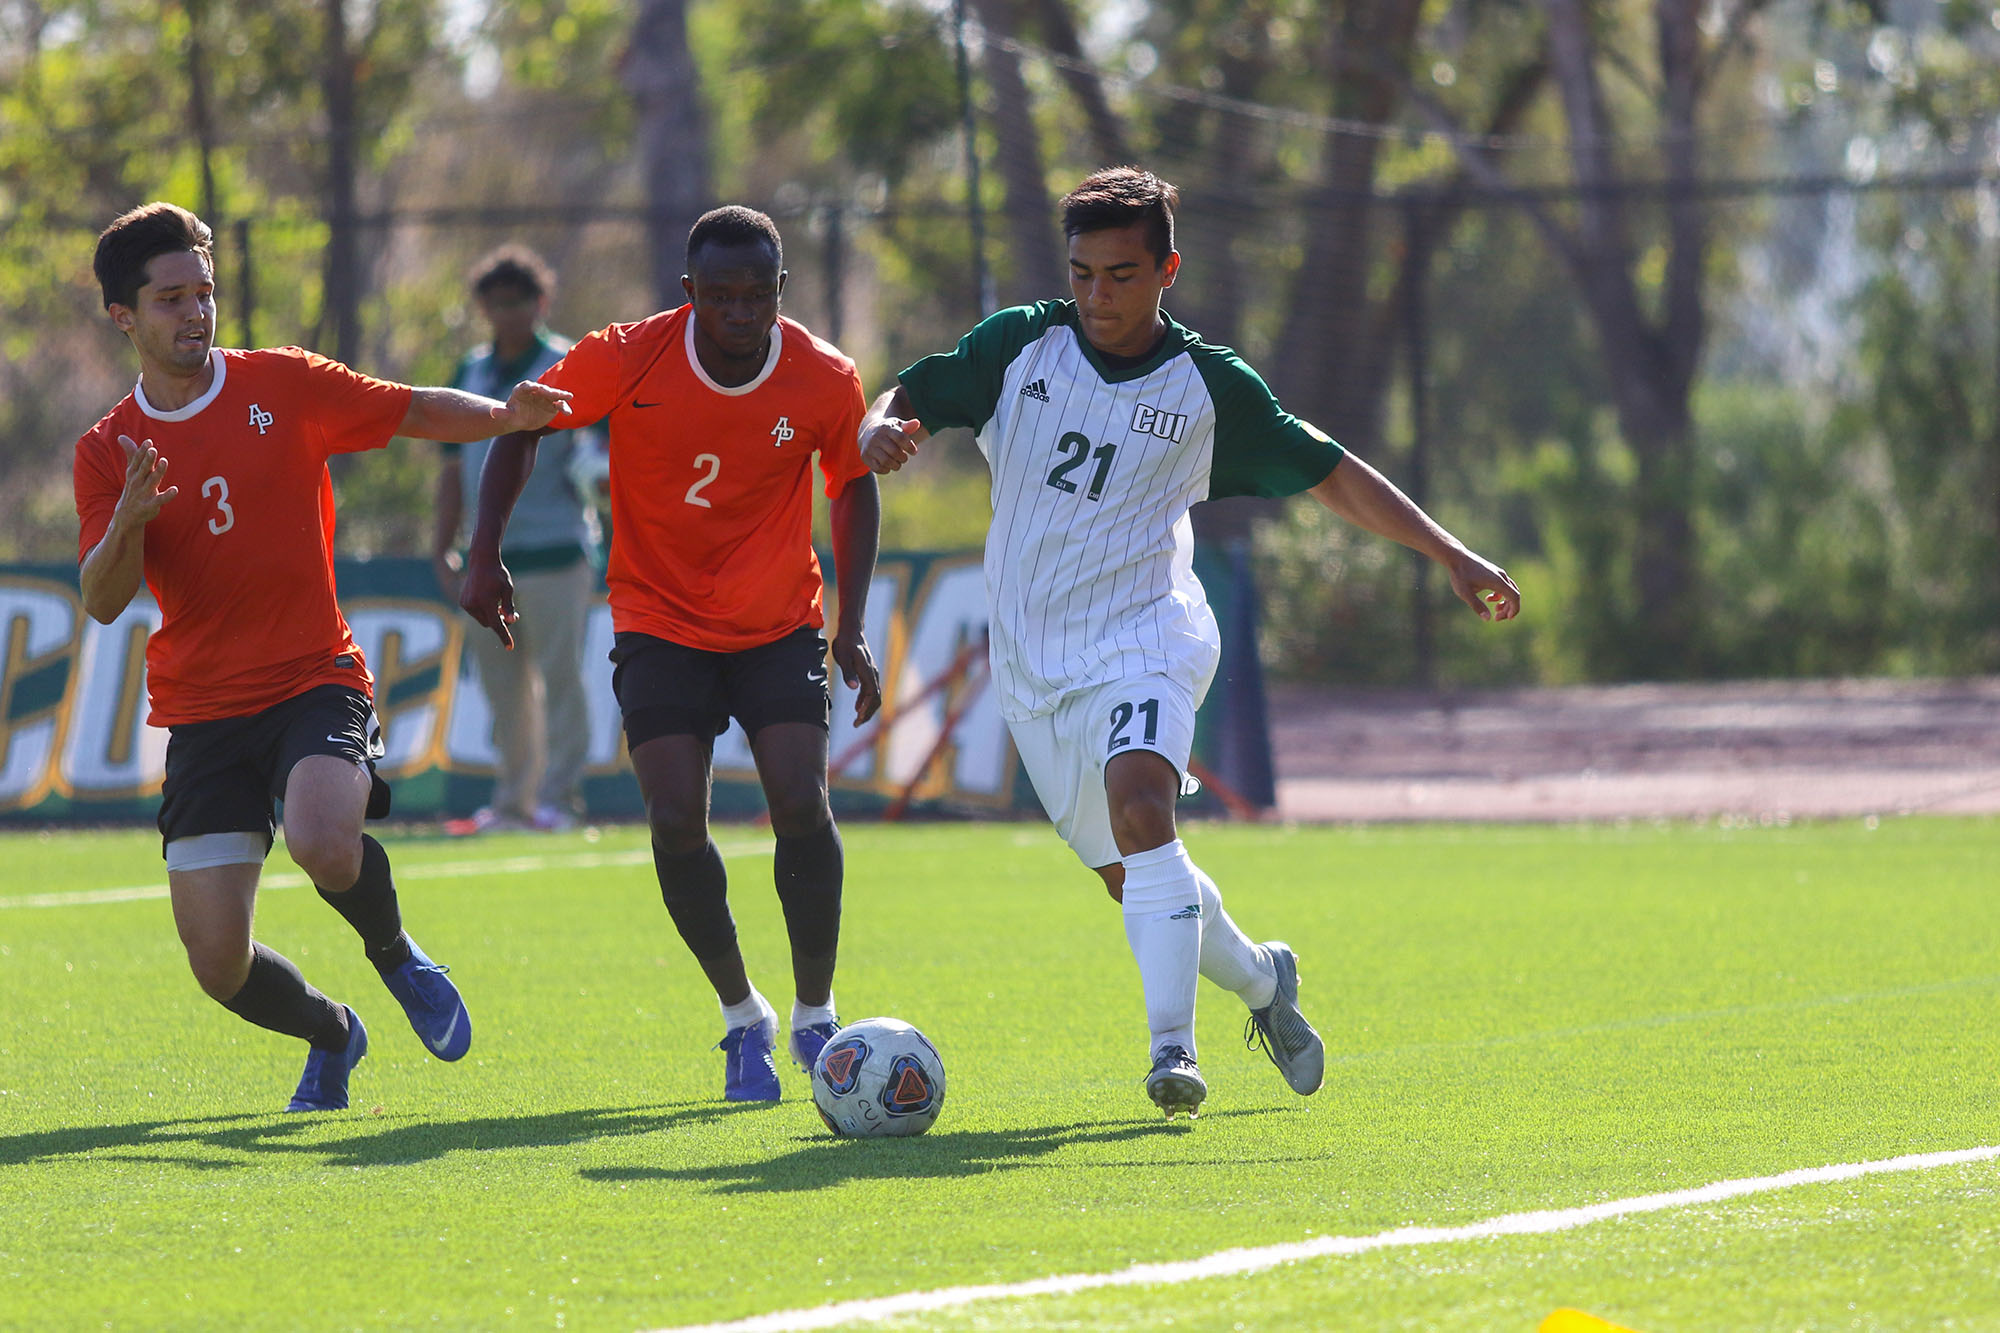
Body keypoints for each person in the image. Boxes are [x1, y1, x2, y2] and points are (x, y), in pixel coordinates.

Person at [859, 167, 1522, 1119]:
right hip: (1033, 669)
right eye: (1083, 272)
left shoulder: (1208, 387)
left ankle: (1173, 1050)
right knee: (1137, 878)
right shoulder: (1020, 346)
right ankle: (1262, 981)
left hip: (1147, 637)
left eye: (1122, 275)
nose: (1097, 295)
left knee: (1142, 806)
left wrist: (1449, 552)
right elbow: (911, 393)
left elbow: (1327, 470)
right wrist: (883, 424)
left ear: (1168, 268)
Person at [73, 202, 573, 1112]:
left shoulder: (284, 384)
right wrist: (127, 523)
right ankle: (335, 1032)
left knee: (322, 837)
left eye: (205, 292)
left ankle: (398, 956)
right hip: (203, 710)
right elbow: (102, 601)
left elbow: (415, 408)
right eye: (171, 298)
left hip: (315, 676)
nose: (195, 313)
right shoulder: (108, 450)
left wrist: (507, 416)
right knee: (217, 963)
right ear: (124, 317)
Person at [459, 205, 884, 1103]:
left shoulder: (824, 377)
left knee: (800, 801)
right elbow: (525, 423)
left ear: (781, 292)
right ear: (688, 293)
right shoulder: (628, 354)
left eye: (755, 295)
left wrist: (849, 624)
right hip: (657, 619)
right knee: (674, 819)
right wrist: (485, 545)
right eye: (718, 295)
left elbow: (852, 487)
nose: (738, 312)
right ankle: (743, 1016)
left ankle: (816, 1013)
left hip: (776, 622)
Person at [432, 245, 607, 834]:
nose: (508, 315)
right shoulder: (471, 371)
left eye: (520, 302)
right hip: (488, 560)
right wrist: (442, 547)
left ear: (541, 302)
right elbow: (452, 468)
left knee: (561, 679)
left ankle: (559, 800)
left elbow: (602, 454)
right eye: (497, 303)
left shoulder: (567, 364)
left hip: (557, 551)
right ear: (483, 306)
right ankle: (513, 802)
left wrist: (596, 475)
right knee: (504, 689)